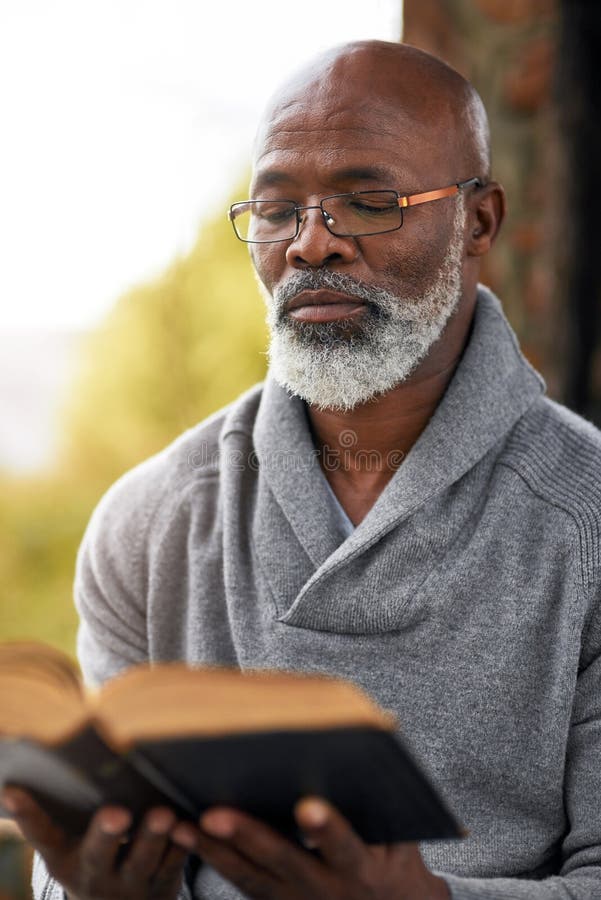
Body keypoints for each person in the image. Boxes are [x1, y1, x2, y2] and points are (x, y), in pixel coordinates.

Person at [4, 38, 601, 899]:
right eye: (278, 209)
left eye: (365, 202)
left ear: (478, 222)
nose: (310, 245)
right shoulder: (150, 520)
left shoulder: (582, 520)